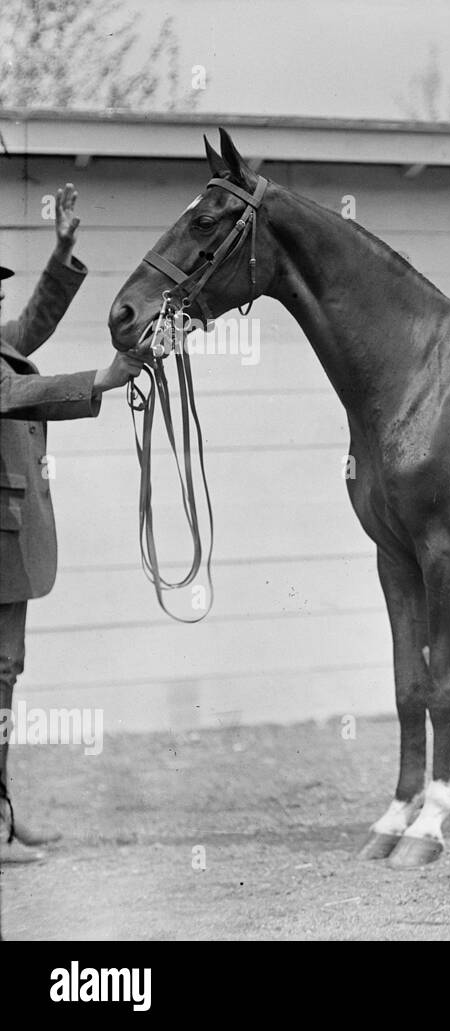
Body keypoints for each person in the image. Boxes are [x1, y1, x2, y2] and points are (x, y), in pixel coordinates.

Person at [0, 184, 145, 865]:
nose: (0, 302)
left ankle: (2, 812)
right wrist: (104, 377)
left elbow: (31, 325)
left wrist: (61, 251)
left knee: (4, 674)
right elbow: (19, 392)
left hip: (10, 546)